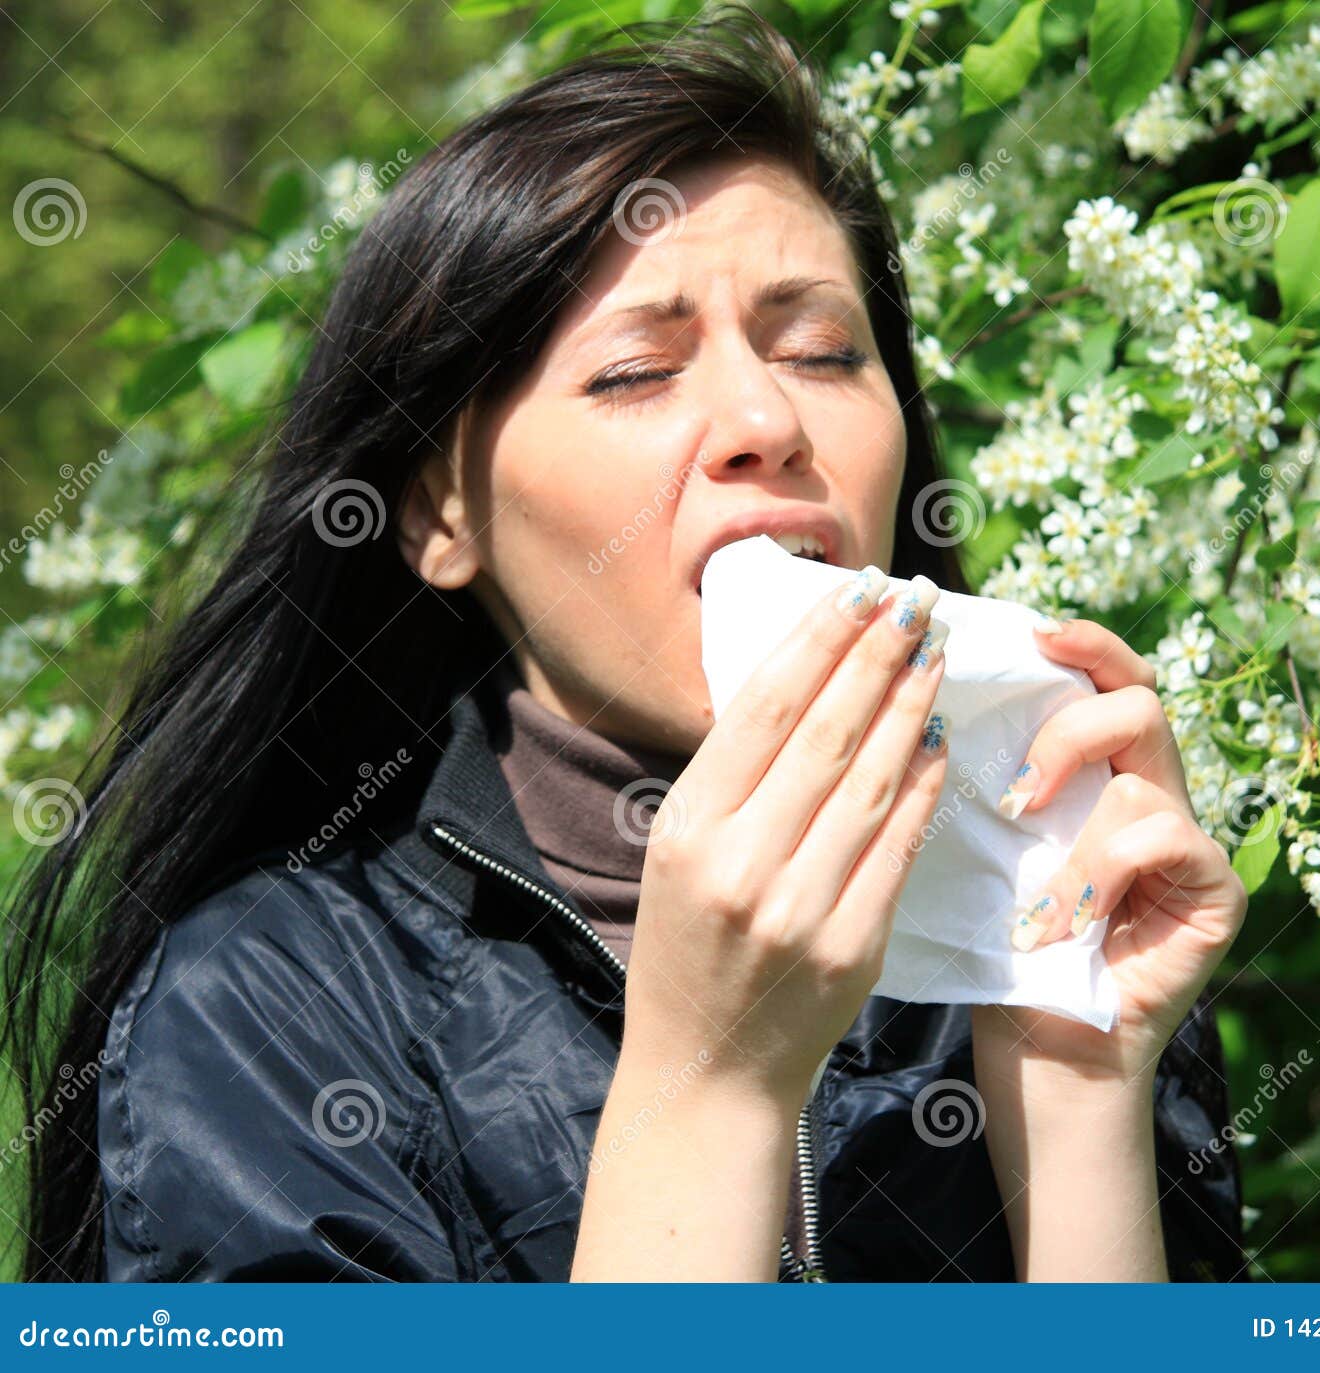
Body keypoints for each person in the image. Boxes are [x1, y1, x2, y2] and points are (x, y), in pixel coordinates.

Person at [2, 9, 1248, 1283]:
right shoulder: (268, 1008)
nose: (764, 416)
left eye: (822, 349)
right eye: (635, 372)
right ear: (439, 513)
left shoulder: (1036, 925)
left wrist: (1075, 1081)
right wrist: (710, 1075)